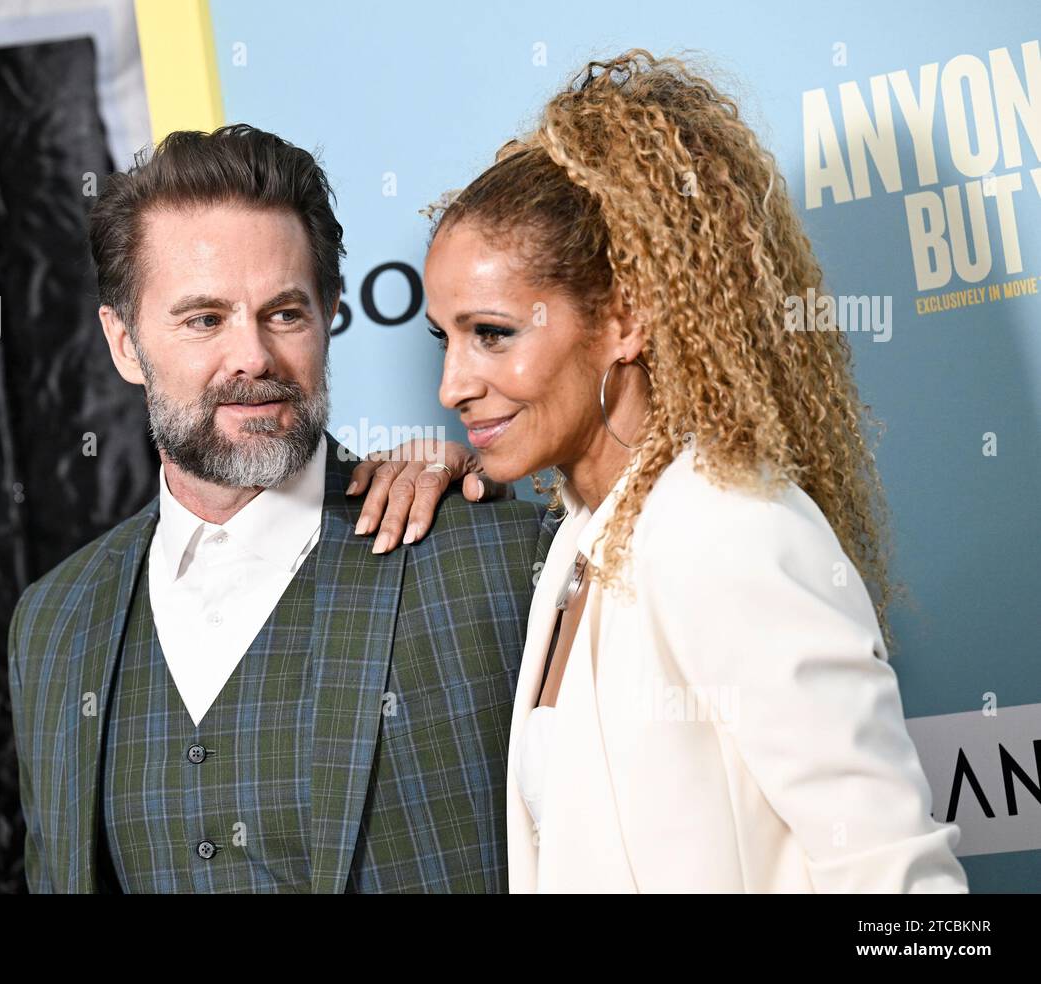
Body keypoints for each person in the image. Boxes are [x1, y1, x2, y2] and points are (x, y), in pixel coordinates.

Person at [362, 49, 969, 892]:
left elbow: (897, 877)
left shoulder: (725, 523)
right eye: (447, 337)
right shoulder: (583, 542)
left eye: (493, 333)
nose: (453, 385)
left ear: (625, 319)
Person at [7, 124, 547, 893]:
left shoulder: (492, 562)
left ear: (330, 313)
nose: (252, 357)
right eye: (204, 319)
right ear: (124, 344)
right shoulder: (54, 622)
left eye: (285, 313)